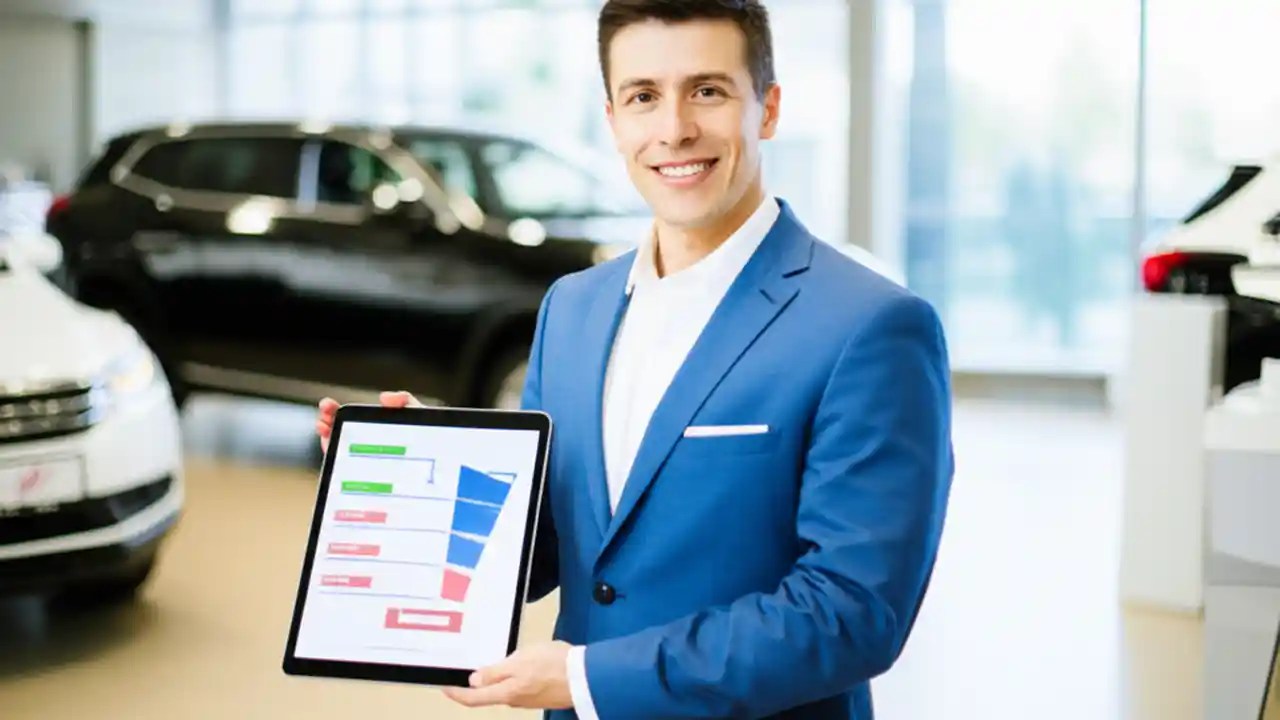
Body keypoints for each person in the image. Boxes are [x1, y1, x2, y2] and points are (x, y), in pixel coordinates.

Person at [316, 1, 954, 717]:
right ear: (614, 119)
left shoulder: (870, 326)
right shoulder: (573, 307)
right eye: (643, 96)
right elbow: (558, 546)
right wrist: (424, 482)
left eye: (707, 91)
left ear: (768, 109)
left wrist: (588, 679)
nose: (674, 128)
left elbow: (851, 613)